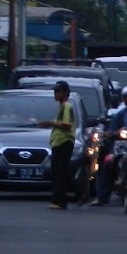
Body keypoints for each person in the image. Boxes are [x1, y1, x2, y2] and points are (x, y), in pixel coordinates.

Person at [92, 85, 127, 206]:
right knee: (108, 163)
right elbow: (111, 130)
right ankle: (101, 197)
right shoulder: (121, 114)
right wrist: (114, 133)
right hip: (122, 147)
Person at [37, 80, 77, 210]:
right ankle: (61, 199)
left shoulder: (67, 106)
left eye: (58, 91)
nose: (55, 94)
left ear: (65, 93)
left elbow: (66, 125)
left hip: (64, 142)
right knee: (59, 172)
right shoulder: (62, 106)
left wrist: (50, 123)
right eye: (55, 91)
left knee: (59, 172)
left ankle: (59, 201)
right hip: (59, 142)